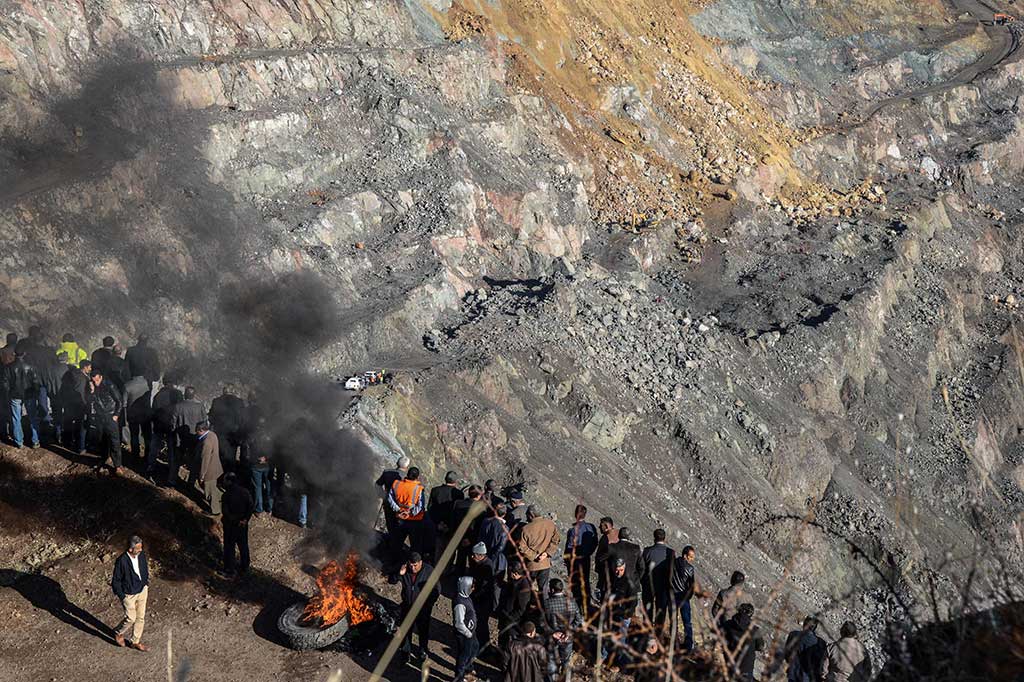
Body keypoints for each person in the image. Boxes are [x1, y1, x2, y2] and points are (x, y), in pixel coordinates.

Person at [389, 552, 438, 661]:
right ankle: (405, 653)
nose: (413, 567)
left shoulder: (429, 571)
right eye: (411, 565)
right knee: (406, 631)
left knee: (423, 630)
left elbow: (436, 588)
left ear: (420, 563)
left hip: (423, 608)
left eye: (415, 565)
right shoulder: (405, 570)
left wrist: (429, 604)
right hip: (407, 606)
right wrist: (399, 574)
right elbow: (391, 581)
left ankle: (422, 651)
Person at [110, 535, 150, 651]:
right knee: (131, 618)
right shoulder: (122, 561)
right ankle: (118, 632)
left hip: (142, 590)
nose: (141, 550)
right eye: (138, 548)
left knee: (140, 617)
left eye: (141, 547)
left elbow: (144, 569)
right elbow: (116, 581)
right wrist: (122, 596)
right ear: (130, 549)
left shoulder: (141, 555)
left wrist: (145, 583)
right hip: (129, 595)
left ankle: (135, 641)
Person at [2, 344, 41, 448]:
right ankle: (35, 441)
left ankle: (19, 442)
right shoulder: (31, 366)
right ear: (25, 353)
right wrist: (36, 393)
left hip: (14, 395)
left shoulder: (8, 367)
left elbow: (5, 383)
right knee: (33, 417)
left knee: (16, 418)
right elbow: (36, 382)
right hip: (29, 395)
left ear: (14, 354)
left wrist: (8, 394)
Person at [542, 578, 581, 680]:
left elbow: (542, 622)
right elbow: (579, 619)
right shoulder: (572, 602)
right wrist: (569, 631)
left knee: (551, 660)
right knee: (566, 661)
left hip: (553, 637)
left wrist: (553, 633)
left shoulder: (547, 603)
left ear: (552, 590)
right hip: (568, 637)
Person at [670, 545, 707, 652]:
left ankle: (674, 642)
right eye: (691, 557)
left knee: (674, 620)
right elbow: (691, 585)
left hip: (673, 595)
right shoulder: (690, 569)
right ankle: (688, 644)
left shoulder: (674, 562)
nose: (692, 559)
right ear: (685, 555)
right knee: (687, 621)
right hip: (683, 597)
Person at [518, 505, 560, 597]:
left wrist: (535, 556)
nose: (526, 515)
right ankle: (544, 609)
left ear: (531, 515)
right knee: (544, 590)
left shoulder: (526, 528)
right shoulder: (550, 524)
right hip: (545, 563)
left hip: (531, 564)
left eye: (527, 514)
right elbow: (556, 540)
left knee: (527, 588)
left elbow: (522, 548)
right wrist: (546, 553)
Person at [604, 557, 639, 665]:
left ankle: (619, 663)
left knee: (621, 640)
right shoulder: (613, 577)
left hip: (623, 616)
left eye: (621, 570)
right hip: (613, 613)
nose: (618, 572)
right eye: (617, 569)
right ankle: (605, 657)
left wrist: (626, 615)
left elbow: (634, 602)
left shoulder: (630, 582)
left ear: (624, 568)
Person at [564, 504, 598, 612]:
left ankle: (578, 608)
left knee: (576, 584)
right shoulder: (591, 527)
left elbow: (569, 548)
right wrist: (589, 553)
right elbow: (595, 542)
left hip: (575, 561)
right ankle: (587, 606)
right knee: (585, 582)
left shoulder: (573, 530)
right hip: (586, 559)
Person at [87, 369, 123, 472]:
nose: (96, 383)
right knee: (102, 440)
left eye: (97, 380)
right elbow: (93, 401)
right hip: (100, 417)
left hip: (110, 415)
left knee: (114, 441)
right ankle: (103, 459)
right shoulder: (93, 386)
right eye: (94, 381)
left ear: (101, 377)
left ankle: (117, 465)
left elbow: (119, 401)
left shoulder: (110, 385)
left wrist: (116, 415)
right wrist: (92, 391)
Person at [221, 472, 254, 576]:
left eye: (225, 480)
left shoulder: (226, 495)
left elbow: (226, 512)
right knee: (243, 546)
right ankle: (245, 567)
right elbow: (250, 506)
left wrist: (235, 520)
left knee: (229, 547)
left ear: (229, 481)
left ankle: (229, 569)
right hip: (243, 525)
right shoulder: (245, 492)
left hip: (231, 525)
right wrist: (245, 519)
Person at [468, 542, 500, 651]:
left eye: (474, 555)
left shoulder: (487, 567)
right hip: (481, 599)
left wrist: (474, 595)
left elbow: (485, 587)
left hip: (484, 601)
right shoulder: (482, 564)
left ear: (481, 556)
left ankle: (484, 647)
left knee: (482, 625)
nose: (472, 557)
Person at [170, 386, 205, 485]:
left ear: (185, 394)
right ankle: (191, 482)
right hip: (195, 438)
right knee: (194, 461)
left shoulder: (178, 406)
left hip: (180, 438)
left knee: (176, 460)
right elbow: (205, 423)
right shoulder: (200, 406)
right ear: (194, 395)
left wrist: (173, 434)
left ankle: (172, 480)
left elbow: (173, 423)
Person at [148, 379, 182, 482]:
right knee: (172, 449)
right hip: (172, 426)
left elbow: (153, 410)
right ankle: (171, 471)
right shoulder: (178, 394)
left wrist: (154, 422)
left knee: (154, 447)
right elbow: (181, 409)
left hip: (159, 424)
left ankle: (150, 466)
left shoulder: (159, 394)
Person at [388, 466, 427, 553]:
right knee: (415, 545)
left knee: (397, 543)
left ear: (407, 474)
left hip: (400, 517)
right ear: (417, 477)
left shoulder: (397, 484)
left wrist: (398, 510)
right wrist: (411, 514)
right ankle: (410, 563)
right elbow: (420, 505)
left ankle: (392, 561)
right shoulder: (418, 488)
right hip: (414, 520)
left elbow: (390, 498)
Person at [640, 529, 675, 626]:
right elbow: (673, 570)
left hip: (648, 584)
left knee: (647, 609)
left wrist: (643, 581)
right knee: (661, 609)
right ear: (665, 538)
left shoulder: (647, 551)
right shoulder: (671, 553)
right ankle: (658, 632)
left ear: (654, 538)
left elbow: (642, 568)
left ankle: (647, 631)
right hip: (664, 586)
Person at [723, 603, 763, 681]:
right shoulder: (755, 630)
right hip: (746, 665)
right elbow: (760, 647)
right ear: (751, 614)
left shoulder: (728, 624)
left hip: (730, 661)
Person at [376, 456, 409, 550]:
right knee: (393, 531)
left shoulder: (387, 472)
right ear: (406, 467)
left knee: (380, 528)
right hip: (399, 509)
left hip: (386, 504)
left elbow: (377, 484)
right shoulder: (405, 479)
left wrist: (383, 496)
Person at [428, 470, 464, 557]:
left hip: (437, 525)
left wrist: (438, 523)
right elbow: (458, 512)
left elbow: (430, 508)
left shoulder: (435, 490)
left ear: (445, 479)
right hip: (451, 527)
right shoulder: (459, 494)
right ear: (455, 481)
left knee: (437, 550)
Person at [59, 359, 92, 453]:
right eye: (89, 367)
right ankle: (81, 447)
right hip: (80, 404)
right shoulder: (83, 379)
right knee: (81, 425)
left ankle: (67, 441)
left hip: (69, 403)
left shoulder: (71, 374)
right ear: (85, 367)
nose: (90, 369)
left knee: (68, 422)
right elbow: (82, 393)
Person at [209, 384, 246, 466]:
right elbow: (242, 418)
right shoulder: (239, 402)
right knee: (232, 454)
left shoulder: (216, 401)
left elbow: (211, 417)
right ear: (233, 391)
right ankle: (231, 474)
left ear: (224, 391)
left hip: (220, 432)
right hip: (234, 432)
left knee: (221, 454)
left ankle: (222, 474)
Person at [453, 576, 479, 682]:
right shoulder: (460, 603)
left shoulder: (465, 596)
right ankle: (460, 677)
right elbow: (459, 623)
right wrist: (468, 634)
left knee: (474, 648)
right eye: (471, 587)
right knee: (463, 656)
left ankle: (468, 670)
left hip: (470, 632)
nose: (473, 589)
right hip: (464, 634)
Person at [785, 616, 827, 682]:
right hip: (809, 677)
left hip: (793, 674)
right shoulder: (820, 643)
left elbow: (787, 654)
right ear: (815, 627)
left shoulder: (793, 635)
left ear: (804, 624)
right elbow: (820, 663)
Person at [123, 374, 151, 463]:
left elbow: (124, 403)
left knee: (134, 436)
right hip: (146, 414)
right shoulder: (148, 383)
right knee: (147, 436)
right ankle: (148, 455)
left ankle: (135, 455)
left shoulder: (127, 385)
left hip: (133, 415)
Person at [196, 421, 223, 516]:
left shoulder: (206, 442)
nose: (196, 433)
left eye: (197, 431)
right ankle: (220, 502)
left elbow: (205, 460)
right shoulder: (212, 434)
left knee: (209, 491)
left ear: (202, 430)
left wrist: (202, 475)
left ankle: (215, 510)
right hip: (216, 466)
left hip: (209, 471)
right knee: (213, 488)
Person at [477, 502, 509, 571]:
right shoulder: (505, 528)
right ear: (504, 514)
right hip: (495, 559)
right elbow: (501, 547)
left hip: (482, 554)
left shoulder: (485, 521)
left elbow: (480, 538)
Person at [595, 516, 619, 602]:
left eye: (601, 525)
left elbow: (603, 555)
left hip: (607, 571)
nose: (599, 527)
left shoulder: (606, 538)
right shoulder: (618, 534)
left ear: (606, 526)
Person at [250, 448, 274, 516]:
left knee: (258, 488)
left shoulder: (253, 438)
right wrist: (267, 457)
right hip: (268, 465)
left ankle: (259, 509)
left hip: (256, 466)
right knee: (269, 487)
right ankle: (270, 508)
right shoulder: (271, 438)